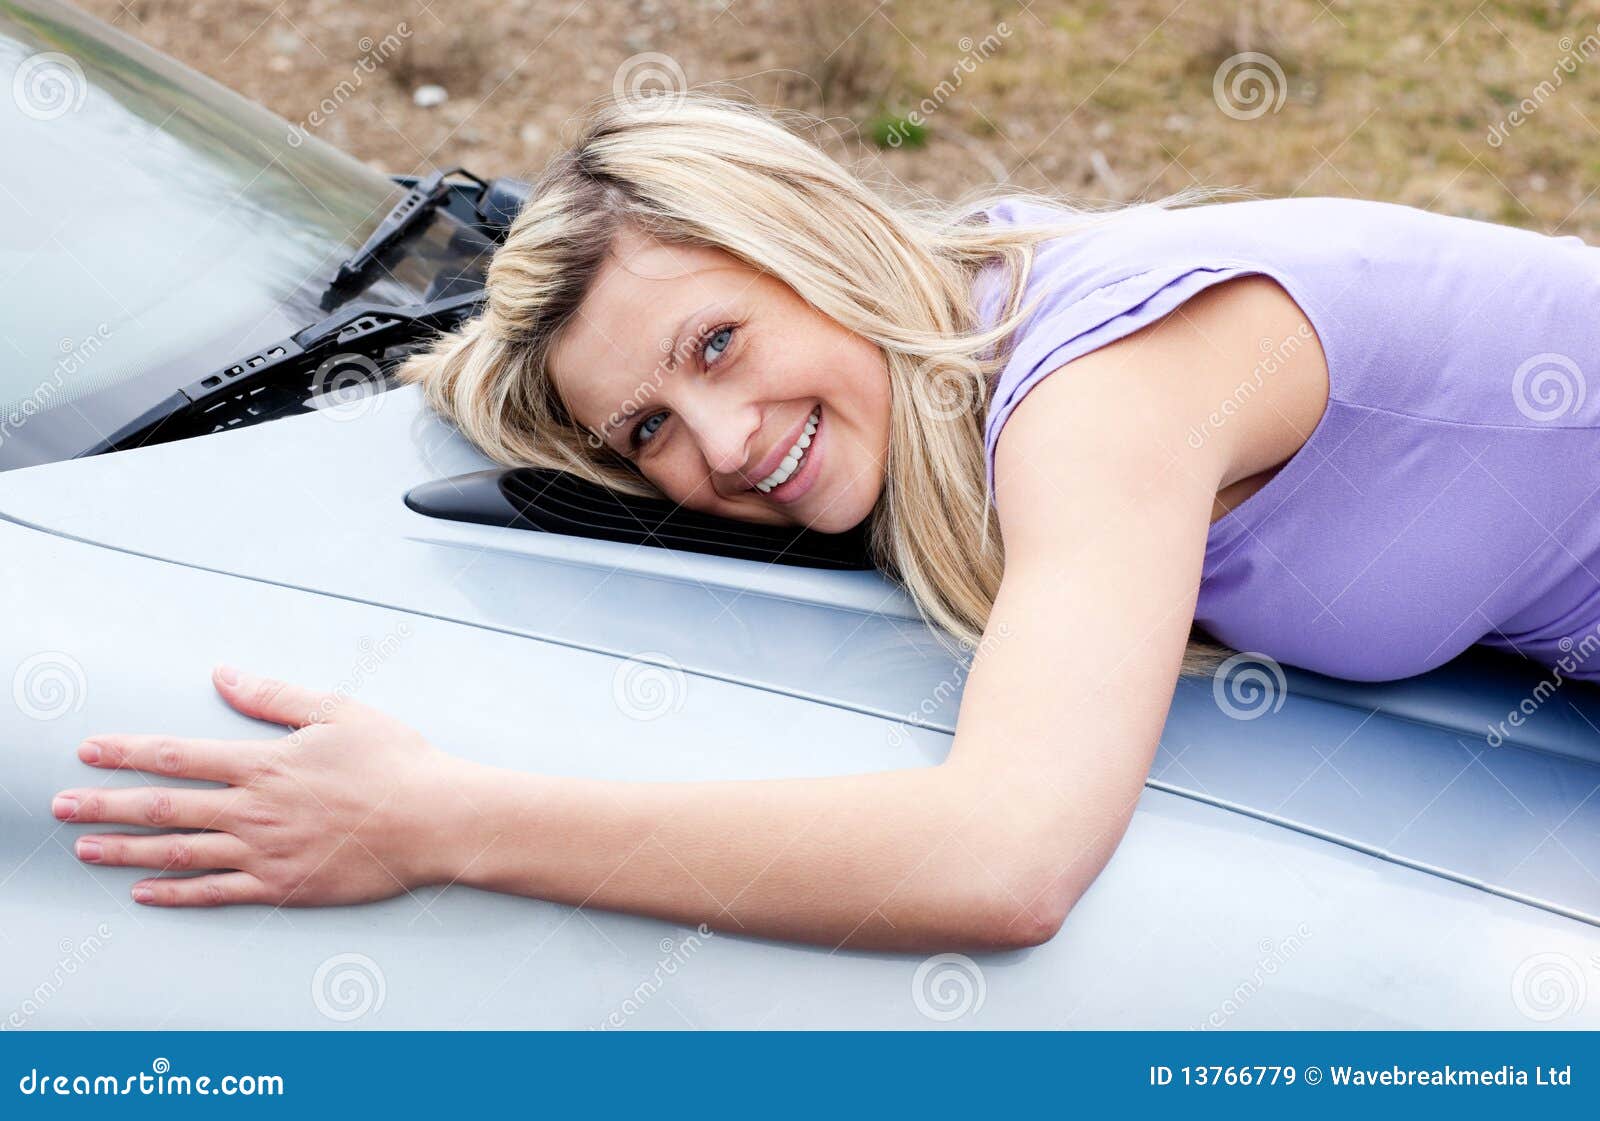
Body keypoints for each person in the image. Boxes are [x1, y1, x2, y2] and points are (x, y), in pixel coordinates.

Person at [50, 97, 1600, 949]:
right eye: (645, 430)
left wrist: (441, 821)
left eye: (718, 342)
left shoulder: (1103, 396)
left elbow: (1001, 862)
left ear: (819, 246)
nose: (720, 443)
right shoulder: (973, 324)